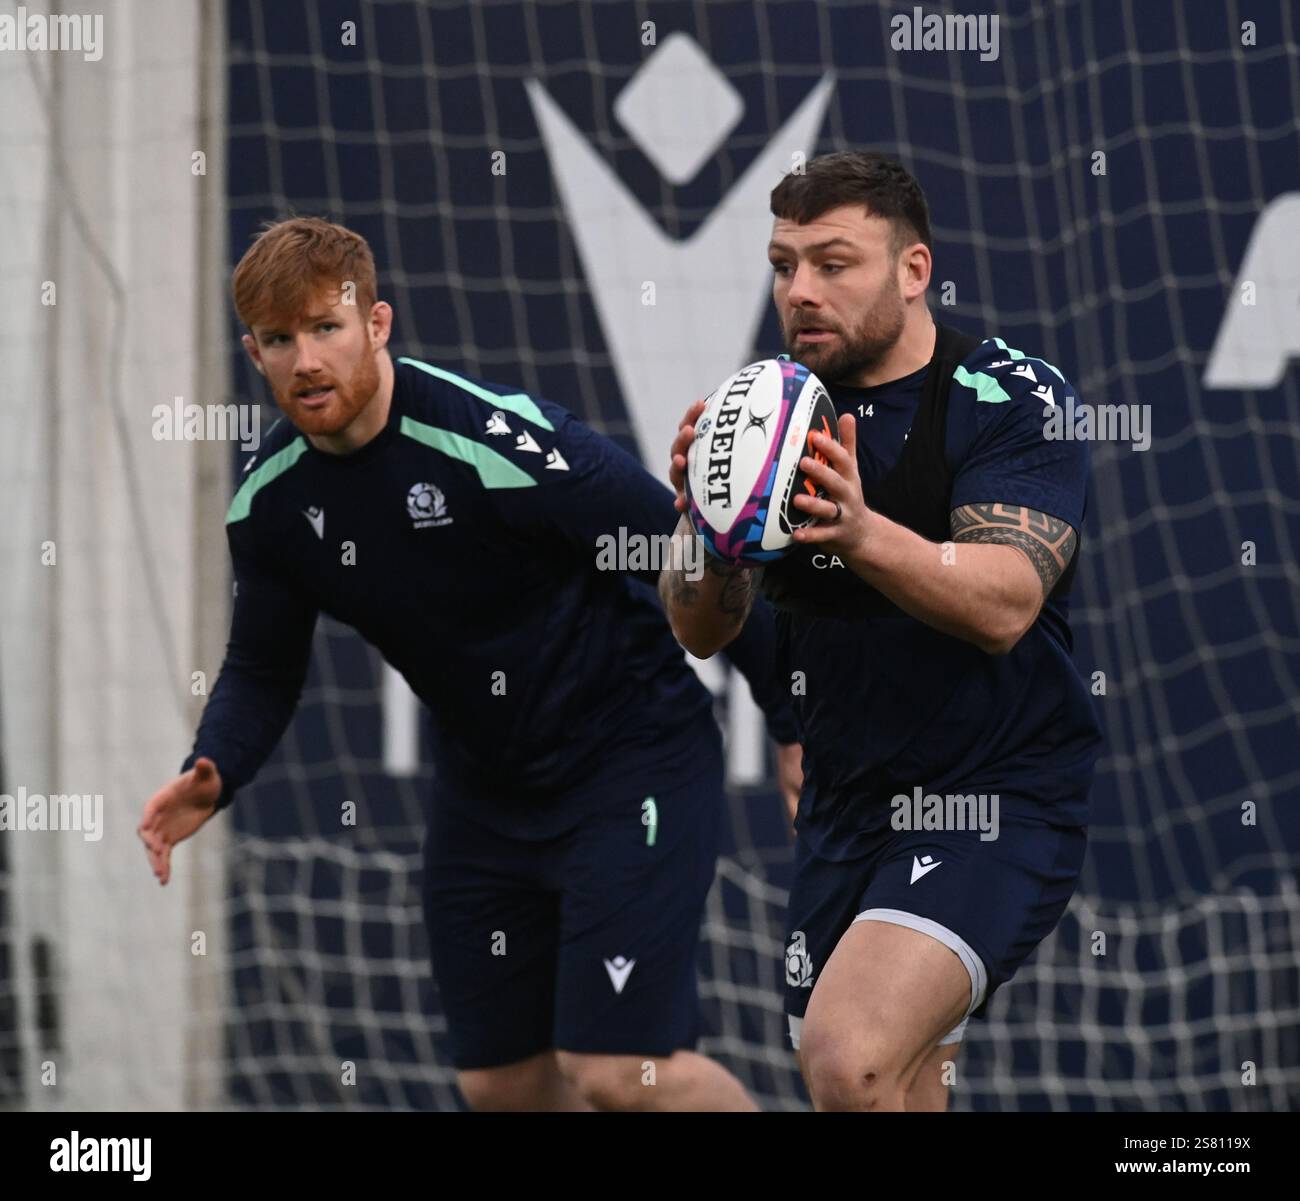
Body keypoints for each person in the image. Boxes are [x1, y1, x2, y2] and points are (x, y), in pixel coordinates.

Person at [138, 217, 802, 1112]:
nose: (305, 361)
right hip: (485, 795)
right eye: (278, 340)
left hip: (629, 760)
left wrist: (795, 731)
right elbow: (262, 667)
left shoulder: (503, 443)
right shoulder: (269, 501)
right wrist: (211, 770)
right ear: (253, 354)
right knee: (502, 1086)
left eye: (325, 328)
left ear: (378, 324)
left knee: (617, 1069)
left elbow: (697, 554)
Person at [660, 151, 1103, 1111]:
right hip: (846, 804)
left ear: (914, 271)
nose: (800, 292)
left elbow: (1005, 601)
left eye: (833, 263)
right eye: (784, 266)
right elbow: (698, 629)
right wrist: (708, 527)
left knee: (848, 1051)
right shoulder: (771, 412)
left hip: (993, 795)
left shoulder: (1008, 393)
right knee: (891, 1087)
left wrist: (862, 532)